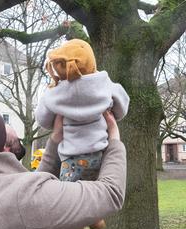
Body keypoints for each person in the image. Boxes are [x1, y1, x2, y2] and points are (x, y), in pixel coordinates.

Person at [35, 39, 129, 183]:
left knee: (71, 198)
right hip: (99, 154)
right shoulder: (104, 84)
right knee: (100, 194)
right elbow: (123, 107)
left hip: (69, 160)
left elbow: (42, 120)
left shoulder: (54, 93)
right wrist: (111, 113)